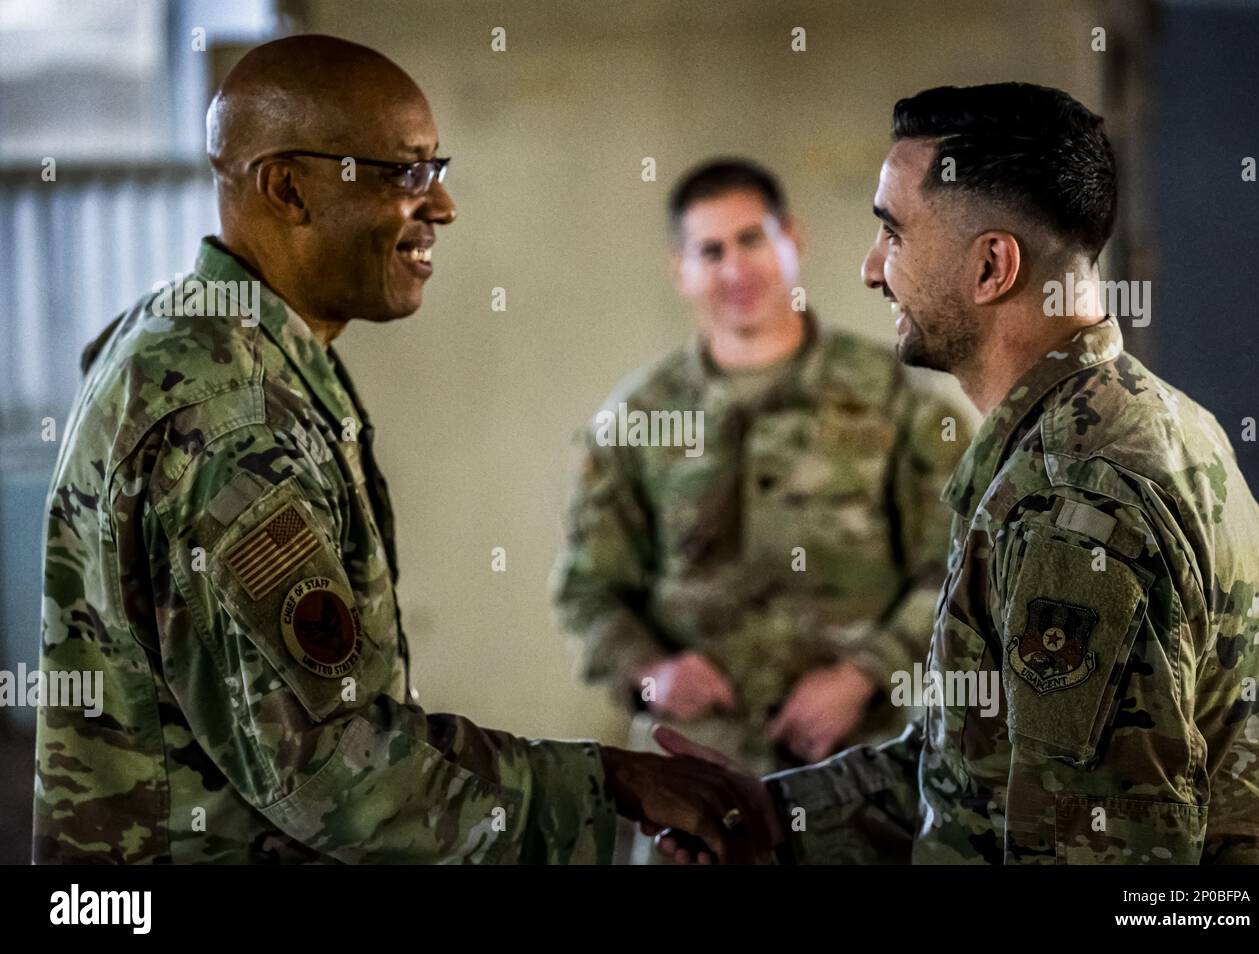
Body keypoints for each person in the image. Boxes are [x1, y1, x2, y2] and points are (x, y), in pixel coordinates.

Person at [33, 35, 771, 865]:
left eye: (437, 167)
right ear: (288, 188)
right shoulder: (234, 420)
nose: (444, 205)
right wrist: (607, 789)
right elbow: (334, 771)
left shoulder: (200, 334)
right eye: (407, 173)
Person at [654, 82, 1259, 865]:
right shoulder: (1167, 427)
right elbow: (975, 769)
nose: (871, 269)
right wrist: (770, 815)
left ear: (991, 266)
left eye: (893, 233)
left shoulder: (1071, 500)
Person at [554, 159, 970, 791]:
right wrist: (650, 672)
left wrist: (863, 675)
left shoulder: (899, 402)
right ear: (680, 269)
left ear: (791, 239)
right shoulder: (638, 418)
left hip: (866, 770)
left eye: (753, 240)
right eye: (710, 250)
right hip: (694, 776)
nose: (735, 269)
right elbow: (589, 589)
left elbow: (959, 569)